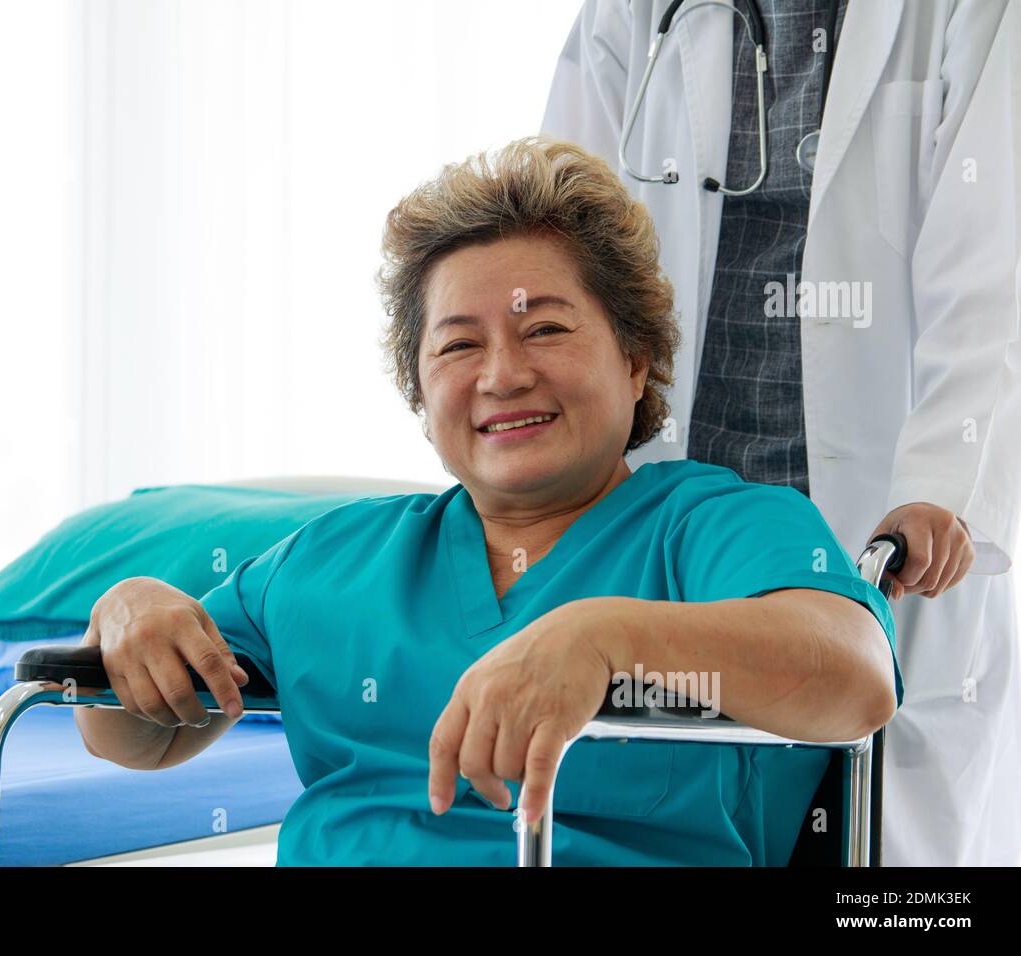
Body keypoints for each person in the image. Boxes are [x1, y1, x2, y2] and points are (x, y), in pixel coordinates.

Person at [72, 138, 900, 866]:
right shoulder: (328, 562)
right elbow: (136, 737)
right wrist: (127, 613)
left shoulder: (716, 527)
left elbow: (855, 678)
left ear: (636, 360)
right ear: (420, 389)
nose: (502, 375)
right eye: (459, 344)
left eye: (545, 329)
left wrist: (603, 639)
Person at [541, 0, 1021, 864]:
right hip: (675, 521)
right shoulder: (630, 12)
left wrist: (943, 484)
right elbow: (555, 233)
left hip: (873, 530)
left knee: (871, 859)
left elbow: (992, 265)